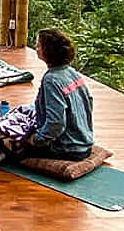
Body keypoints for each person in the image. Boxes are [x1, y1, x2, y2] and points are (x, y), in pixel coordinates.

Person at [23, 27, 94, 161]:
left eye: (38, 46)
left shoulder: (51, 80)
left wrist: (37, 139)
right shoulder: (71, 72)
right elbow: (88, 102)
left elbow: (56, 123)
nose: (36, 48)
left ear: (49, 51)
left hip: (66, 149)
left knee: (7, 142)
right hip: (84, 142)